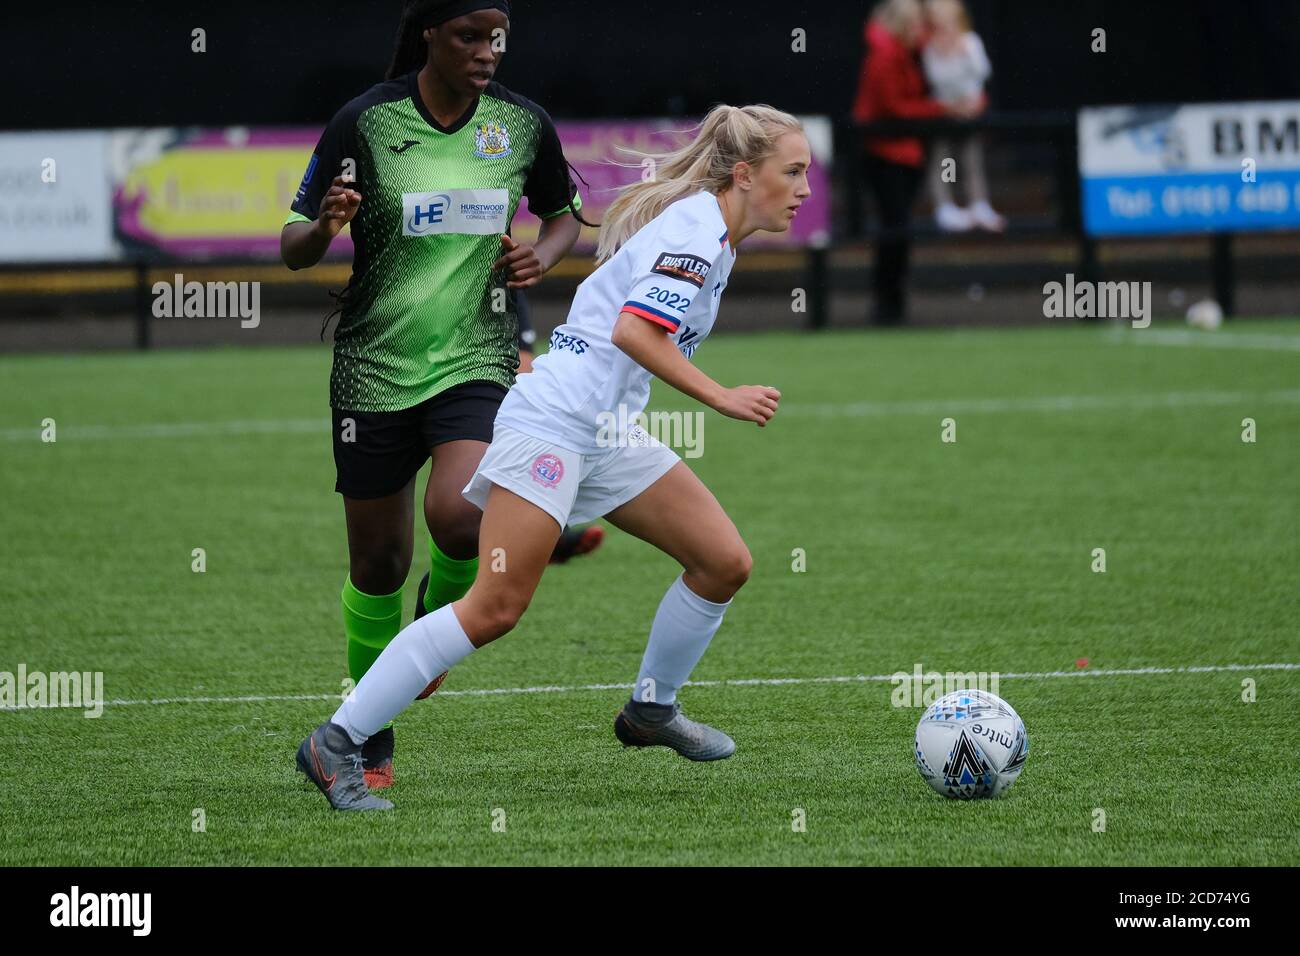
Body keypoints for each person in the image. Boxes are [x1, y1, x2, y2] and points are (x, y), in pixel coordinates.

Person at [295, 103, 812, 811]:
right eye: (795, 171)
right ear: (747, 174)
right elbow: (636, 333)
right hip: (554, 425)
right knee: (496, 608)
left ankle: (649, 711)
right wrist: (721, 398)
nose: (806, 188)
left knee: (724, 562)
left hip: (604, 430)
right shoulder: (697, 232)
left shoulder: (713, 232)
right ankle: (337, 739)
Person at [280, 0, 593, 790]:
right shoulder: (366, 121)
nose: (487, 51)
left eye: (497, 37)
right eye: (468, 36)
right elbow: (292, 247)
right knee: (378, 563)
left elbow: (565, 219)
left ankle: (434, 630)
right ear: (429, 35)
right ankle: (367, 734)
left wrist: (542, 259)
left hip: (477, 359)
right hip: (373, 368)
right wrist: (324, 225)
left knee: (460, 518)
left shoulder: (521, 125)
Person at [851, 0, 977, 323]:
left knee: (898, 229)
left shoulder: (904, 50)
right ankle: (886, 306)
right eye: (917, 23)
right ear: (904, 24)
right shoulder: (886, 55)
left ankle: (892, 303)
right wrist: (945, 109)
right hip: (886, 155)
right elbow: (894, 108)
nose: (922, 30)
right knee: (895, 230)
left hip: (904, 154)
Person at [923, 0, 1004, 232]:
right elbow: (935, 79)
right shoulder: (931, 48)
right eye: (939, 26)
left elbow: (983, 71)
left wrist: (963, 53)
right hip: (944, 113)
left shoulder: (970, 42)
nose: (945, 31)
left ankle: (979, 204)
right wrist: (944, 54)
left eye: (949, 24)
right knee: (942, 160)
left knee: (971, 159)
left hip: (970, 113)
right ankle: (945, 208)